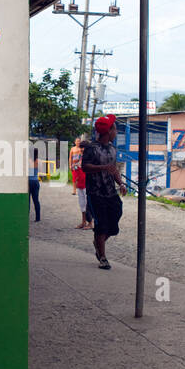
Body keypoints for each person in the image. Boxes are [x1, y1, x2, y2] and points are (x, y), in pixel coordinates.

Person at [81, 114, 123, 269]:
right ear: (109, 131)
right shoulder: (91, 148)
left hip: (111, 192)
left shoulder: (112, 149)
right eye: (115, 129)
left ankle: (99, 242)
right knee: (102, 224)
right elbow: (85, 167)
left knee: (115, 221)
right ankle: (102, 257)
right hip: (96, 193)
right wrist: (102, 168)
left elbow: (114, 170)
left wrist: (121, 183)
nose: (116, 132)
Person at [70, 136, 92, 230]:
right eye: (81, 147)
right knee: (82, 204)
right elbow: (76, 166)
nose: (82, 149)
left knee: (88, 204)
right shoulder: (80, 156)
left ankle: (90, 223)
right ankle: (83, 222)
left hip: (87, 184)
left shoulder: (90, 158)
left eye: (83, 148)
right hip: (80, 183)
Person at [28, 146, 41, 222]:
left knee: (28, 200)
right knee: (36, 200)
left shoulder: (27, 161)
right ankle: (38, 217)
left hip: (29, 181)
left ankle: (27, 216)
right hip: (36, 181)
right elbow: (40, 170)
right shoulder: (39, 161)